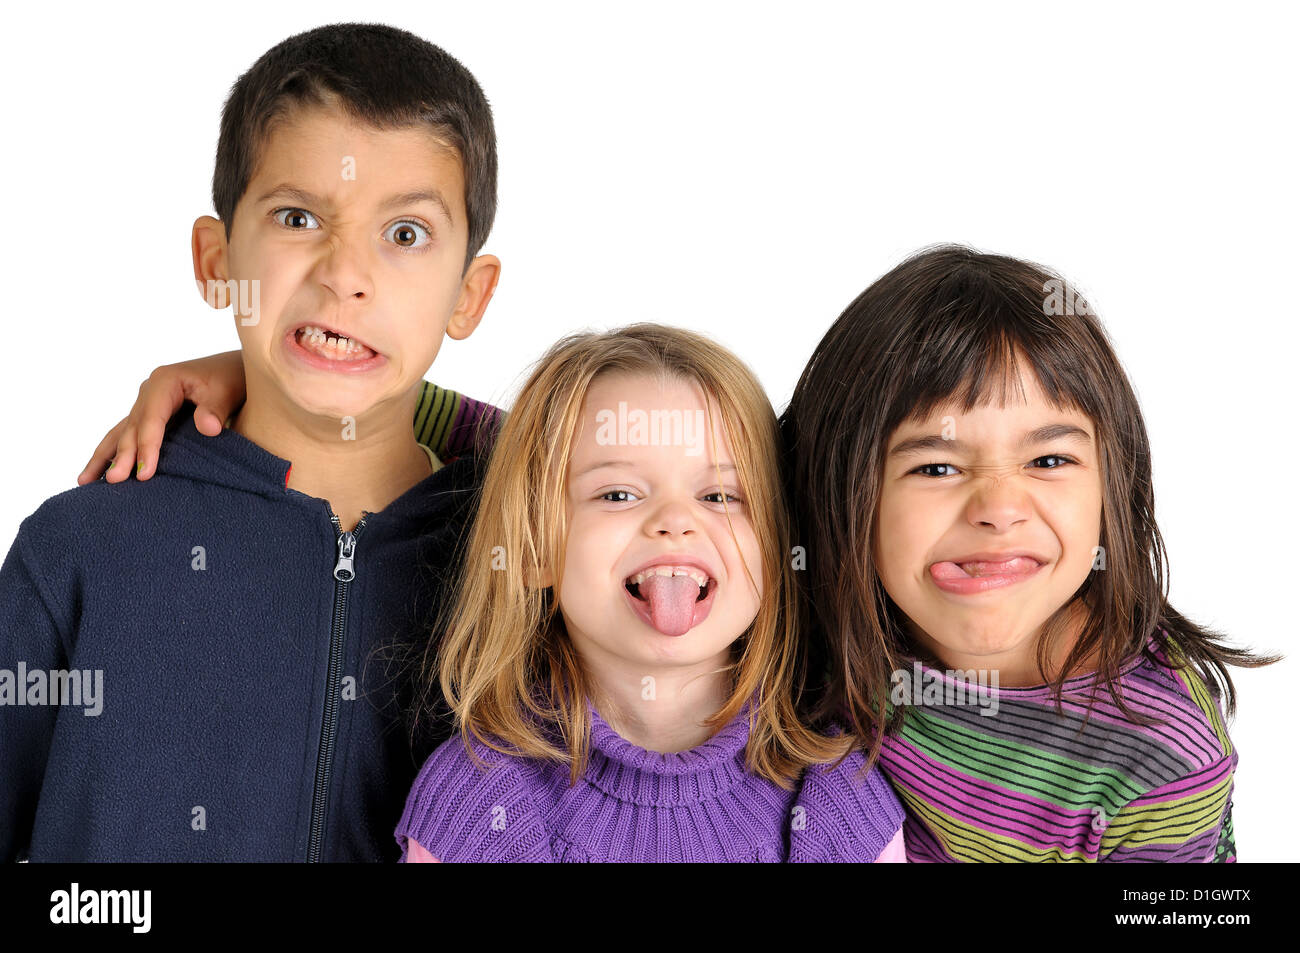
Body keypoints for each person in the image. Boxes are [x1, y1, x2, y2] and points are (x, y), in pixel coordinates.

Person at [0, 22, 503, 861]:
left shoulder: (523, 556)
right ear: (216, 258)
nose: (347, 273)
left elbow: (617, 475)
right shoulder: (83, 547)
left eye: (406, 233)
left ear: (470, 295)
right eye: (299, 216)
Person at [780, 244, 1280, 862]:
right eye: (936, 466)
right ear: (841, 490)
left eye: (1048, 461)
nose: (999, 506)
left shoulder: (1160, 752)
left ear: (1113, 486)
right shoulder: (826, 630)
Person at [394, 323, 904, 862]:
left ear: (777, 550)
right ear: (532, 548)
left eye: (720, 494)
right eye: (618, 493)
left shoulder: (834, 794)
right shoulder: (482, 802)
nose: (675, 521)